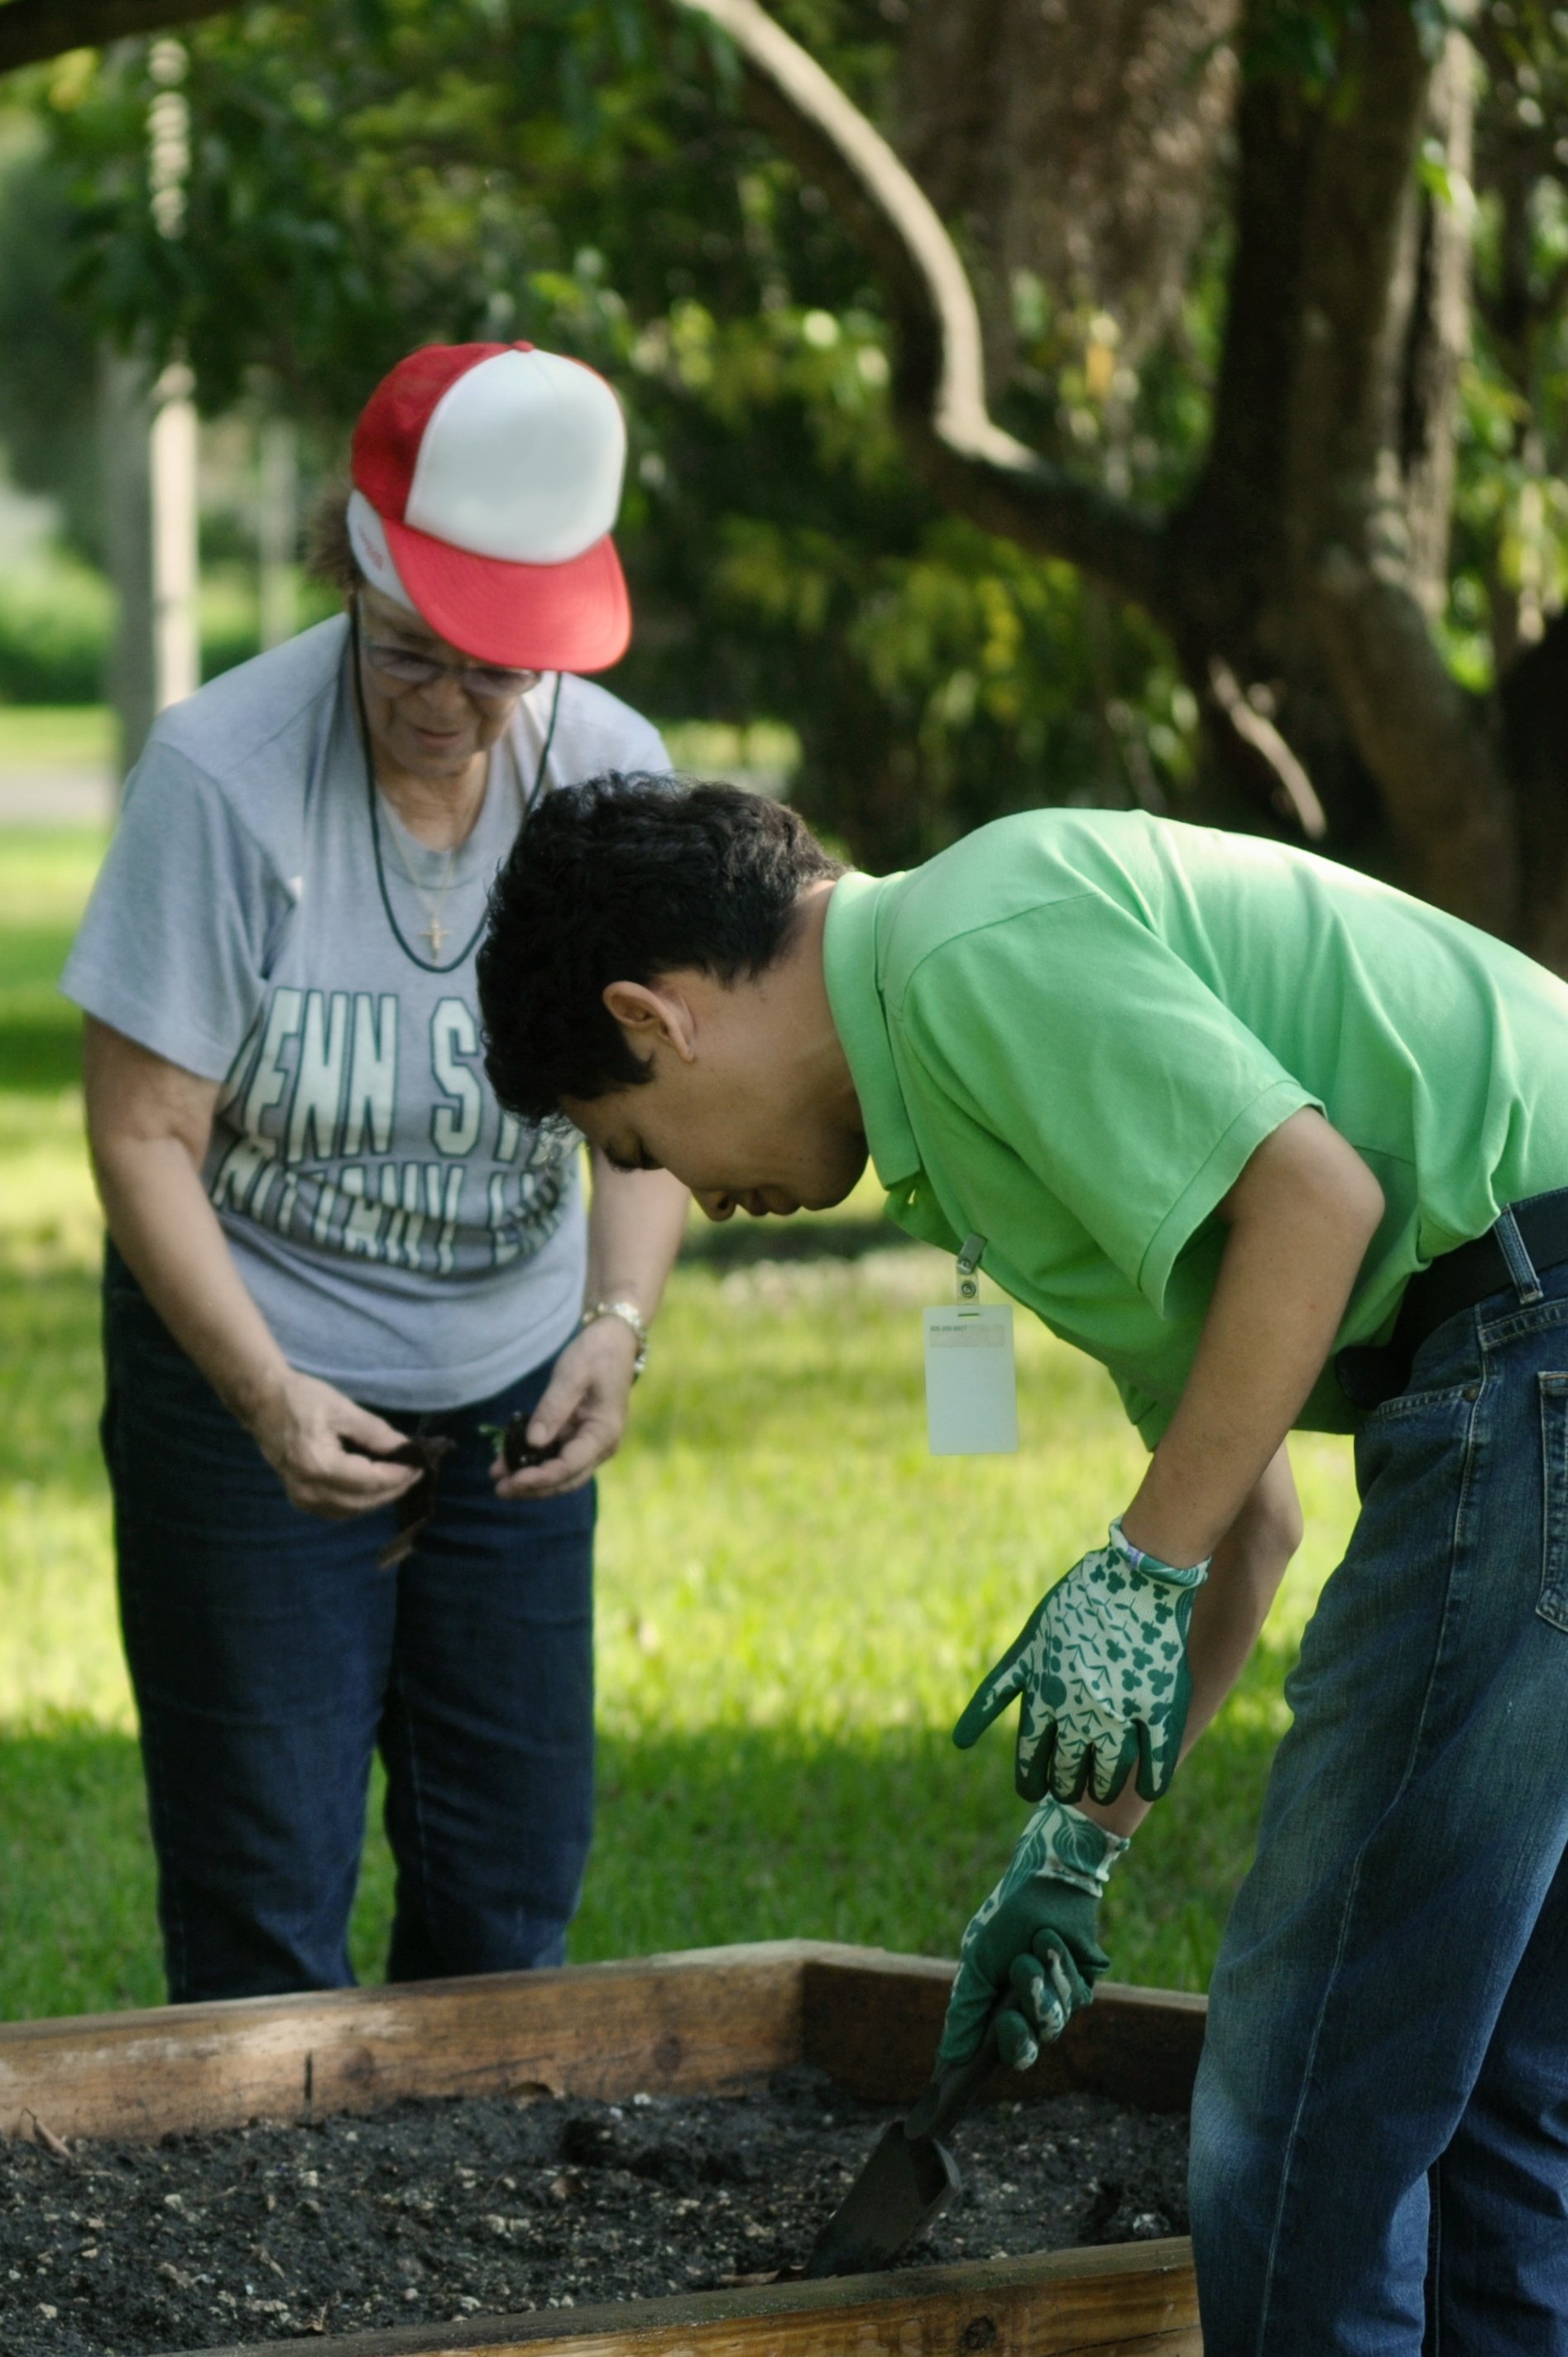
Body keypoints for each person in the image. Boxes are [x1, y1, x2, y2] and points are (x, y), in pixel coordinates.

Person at [475, 775, 1568, 2356]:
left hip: (1535, 1334)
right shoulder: (958, 1063)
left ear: (658, 1019)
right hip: (1535, 1335)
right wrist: (1072, 1855)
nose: (701, 1197)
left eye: (634, 1140)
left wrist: (1134, 1570)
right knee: (1495, 2083)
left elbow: (1319, 1204)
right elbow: (1244, 1508)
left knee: (1308, 2074)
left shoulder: (970, 947)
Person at [62, 346, 688, 2004]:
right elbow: (139, 1133)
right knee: (263, 1903)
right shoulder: (225, 779)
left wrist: (615, 1323)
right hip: (250, 1381)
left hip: (511, 1395)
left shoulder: (607, 772)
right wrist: (268, 1396)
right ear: (351, 565)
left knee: (510, 1896)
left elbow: (657, 1103)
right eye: (414, 647)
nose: (449, 702)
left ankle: (469, 2256)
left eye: (498, 672)